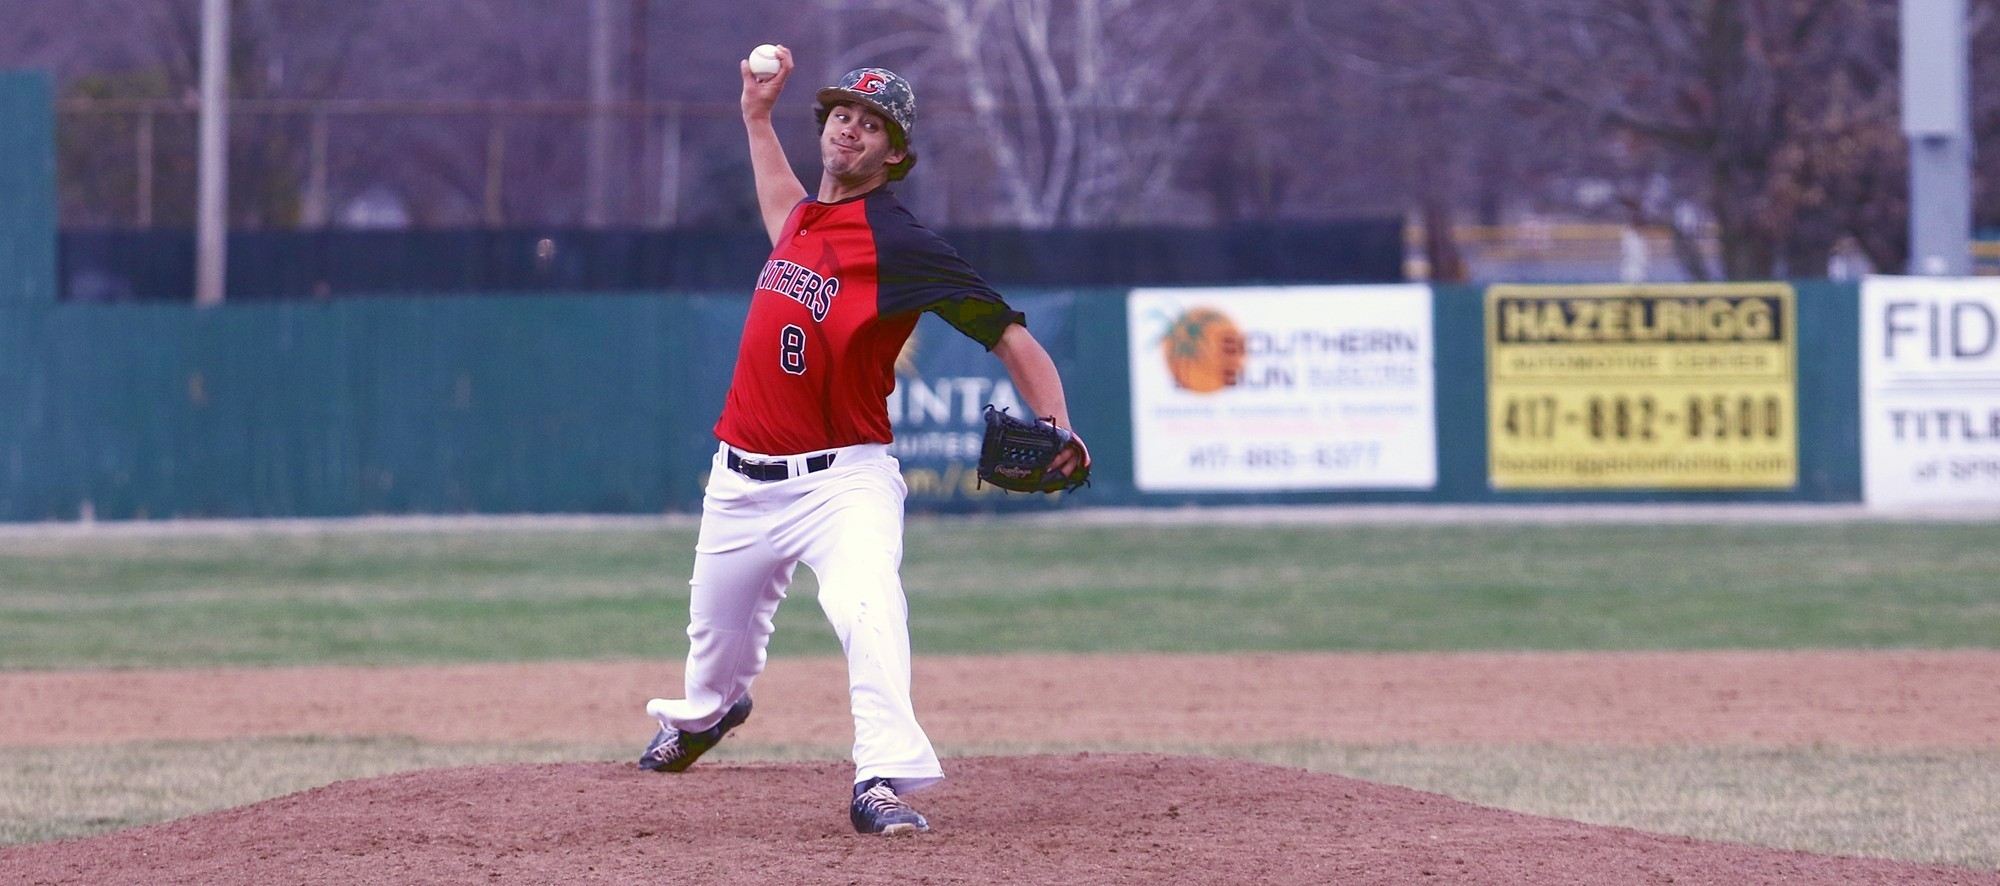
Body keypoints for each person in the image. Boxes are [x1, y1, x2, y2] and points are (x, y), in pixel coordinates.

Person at [637, 47, 1088, 837]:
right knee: (712, 650)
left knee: (866, 608)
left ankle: (879, 779)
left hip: (842, 484)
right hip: (740, 481)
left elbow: (1007, 333)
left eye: (871, 124)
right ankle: (709, 715)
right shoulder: (804, 222)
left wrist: (1057, 422)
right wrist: (755, 116)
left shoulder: (899, 242)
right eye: (843, 114)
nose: (850, 129)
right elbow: (780, 202)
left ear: (895, 154)